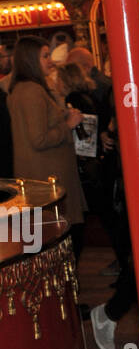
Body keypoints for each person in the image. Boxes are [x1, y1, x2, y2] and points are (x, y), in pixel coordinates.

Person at [7, 36, 86, 258]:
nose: (50, 60)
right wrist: (68, 125)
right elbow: (38, 138)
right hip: (46, 176)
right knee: (58, 238)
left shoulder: (26, 89)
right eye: (44, 55)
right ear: (31, 59)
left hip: (42, 174)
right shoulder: (31, 91)